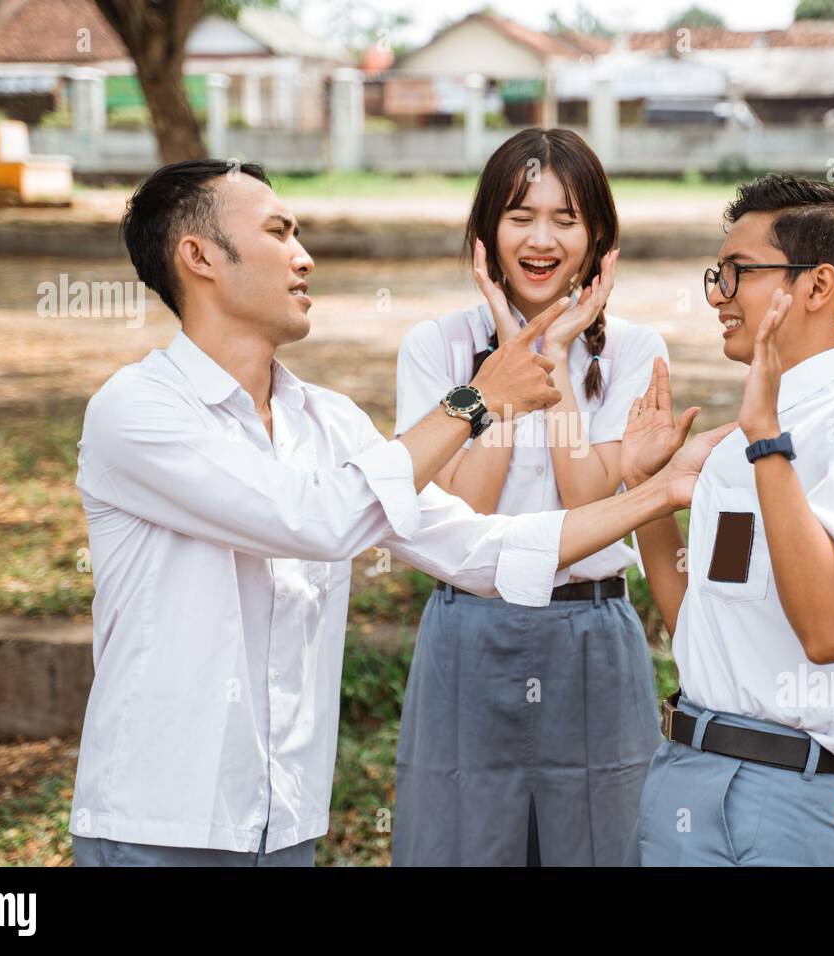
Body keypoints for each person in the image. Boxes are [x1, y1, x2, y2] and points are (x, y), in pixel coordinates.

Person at [67, 158, 730, 867]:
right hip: (158, 826)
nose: (305, 257)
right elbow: (317, 520)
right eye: (278, 233)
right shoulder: (137, 412)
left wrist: (658, 493)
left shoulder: (328, 421)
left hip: (283, 823)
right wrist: (477, 402)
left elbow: (480, 550)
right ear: (198, 257)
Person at [617, 175, 834, 866]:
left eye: (739, 273)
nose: (717, 295)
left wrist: (767, 444)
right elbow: (701, 628)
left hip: (780, 793)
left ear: (817, 287)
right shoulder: (741, 446)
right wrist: (646, 487)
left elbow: (827, 631)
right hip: (683, 771)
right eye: (717, 274)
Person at [391, 128, 668, 866]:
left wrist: (559, 355)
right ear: (486, 233)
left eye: (565, 219)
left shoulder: (635, 351)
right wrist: (507, 372)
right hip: (469, 630)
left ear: (598, 237)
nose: (541, 238)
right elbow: (468, 513)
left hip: (591, 633)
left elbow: (587, 498)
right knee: (459, 844)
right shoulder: (436, 347)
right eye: (520, 216)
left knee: (603, 845)